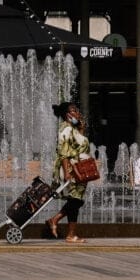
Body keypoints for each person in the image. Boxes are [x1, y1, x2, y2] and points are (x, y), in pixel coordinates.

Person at [46, 101, 90, 244]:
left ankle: (58, 223)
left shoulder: (73, 129)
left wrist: (81, 129)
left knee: (76, 201)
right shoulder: (65, 129)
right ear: (67, 115)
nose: (77, 113)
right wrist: (67, 173)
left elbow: (81, 145)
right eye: (74, 111)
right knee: (75, 200)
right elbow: (64, 153)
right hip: (71, 169)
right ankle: (67, 231)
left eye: (77, 110)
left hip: (79, 168)